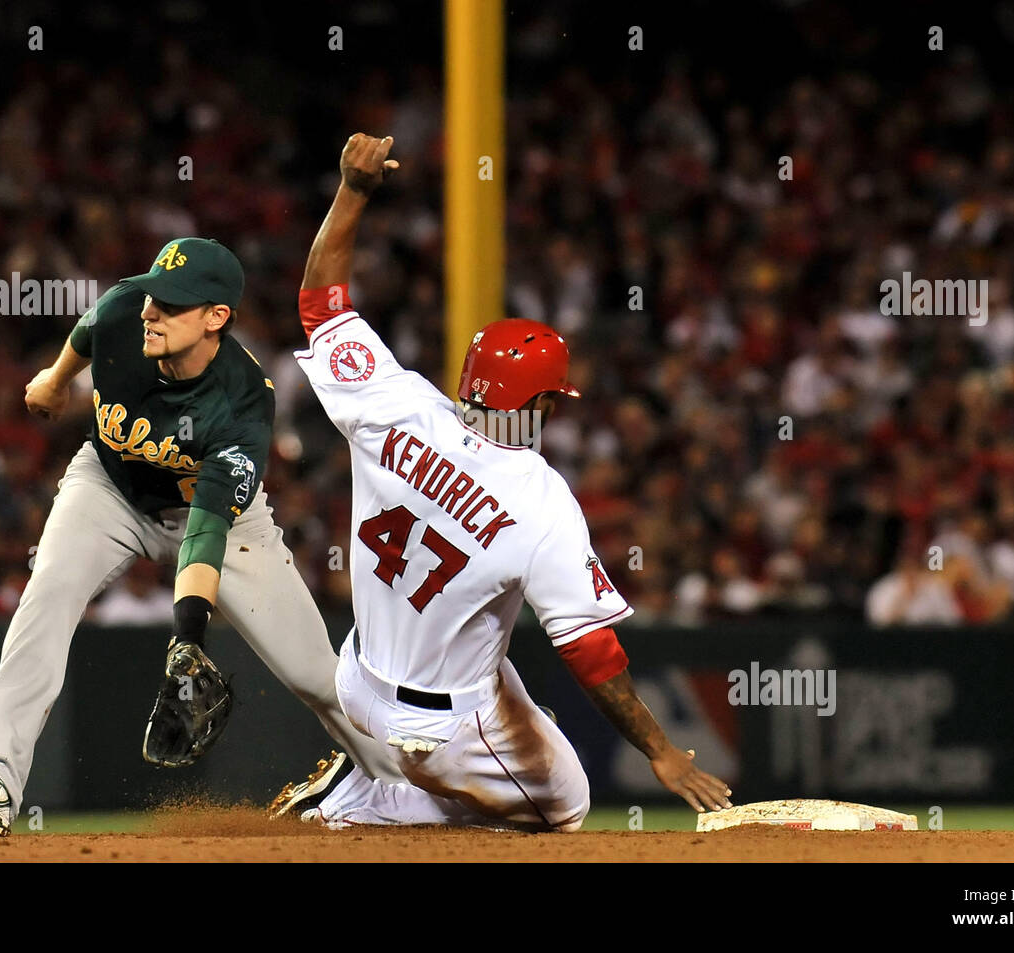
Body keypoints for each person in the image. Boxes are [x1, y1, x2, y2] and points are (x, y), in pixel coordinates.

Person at [274, 134, 732, 830]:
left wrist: (354, 190)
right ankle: (369, 802)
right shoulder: (541, 499)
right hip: (433, 724)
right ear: (542, 404)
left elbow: (321, 304)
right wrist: (661, 750)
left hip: (358, 675)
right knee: (564, 805)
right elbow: (589, 650)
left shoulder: (396, 403)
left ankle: (390, 773)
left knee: (503, 683)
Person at [0, 236, 399, 836]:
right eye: (154, 294)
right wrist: (55, 380)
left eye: (173, 304)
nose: (153, 310)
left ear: (217, 318)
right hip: (108, 488)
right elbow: (90, 327)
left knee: (316, 674)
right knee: (46, 597)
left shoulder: (242, 403)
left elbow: (205, 530)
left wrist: (188, 638)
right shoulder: (128, 308)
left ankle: (410, 785)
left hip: (213, 519)